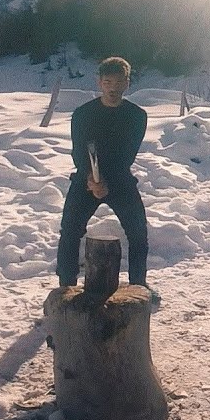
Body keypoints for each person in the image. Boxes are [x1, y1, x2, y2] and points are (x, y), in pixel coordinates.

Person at [57, 56, 150, 288]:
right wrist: (91, 179)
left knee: (138, 232)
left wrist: (107, 182)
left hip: (119, 178)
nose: (113, 89)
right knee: (69, 231)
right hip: (86, 178)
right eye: (108, 82)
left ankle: (138, 285)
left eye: (118, 83)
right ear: (99, 83)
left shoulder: (137, 116)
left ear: (127, 83)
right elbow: (79, 151)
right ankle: (66, 286)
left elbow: (127, 155)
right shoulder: (83, 114)